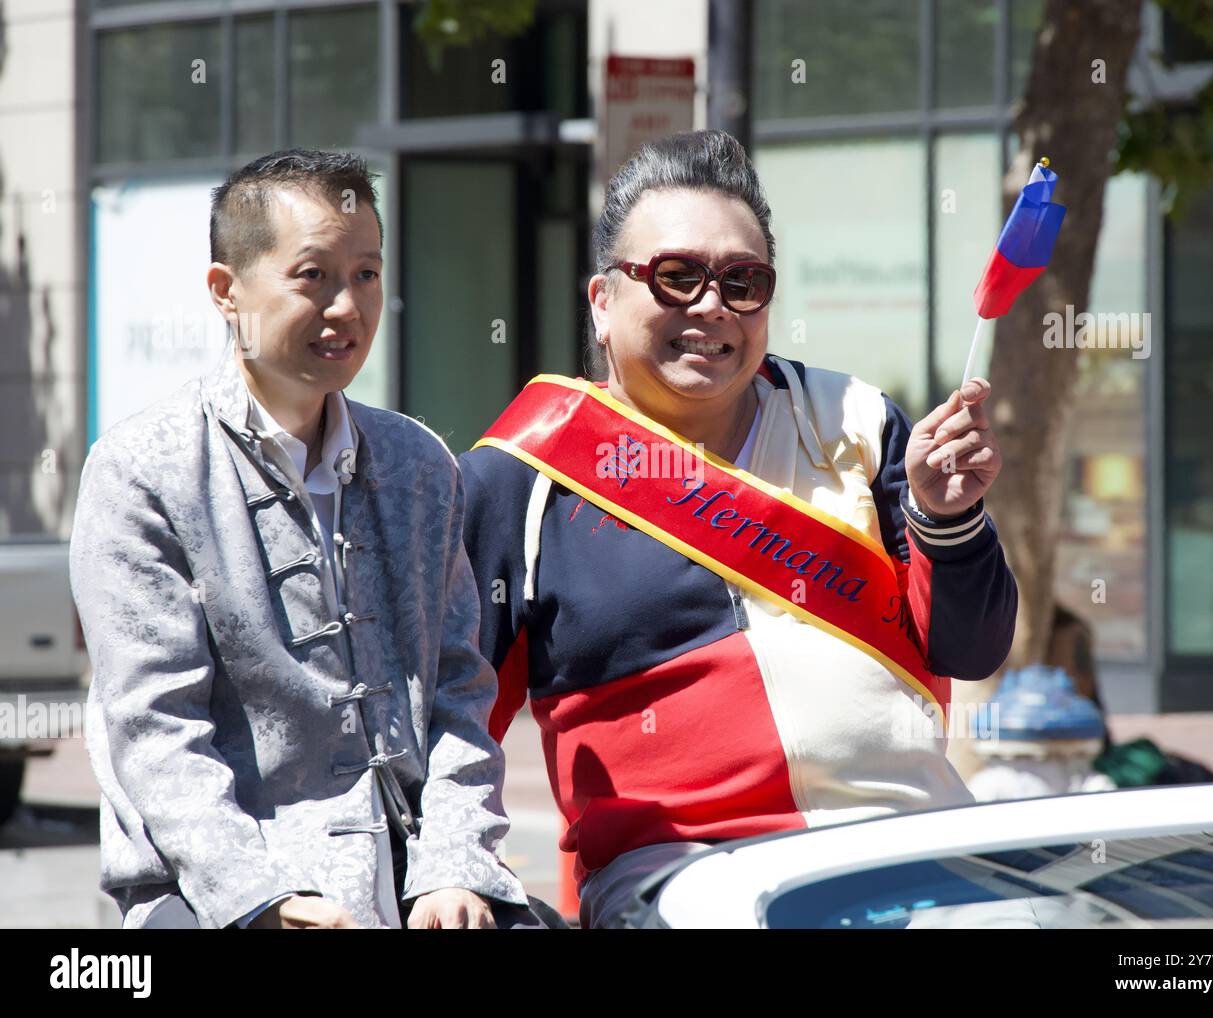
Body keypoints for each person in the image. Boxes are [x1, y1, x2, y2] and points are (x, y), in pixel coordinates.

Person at [459, 130, 1019, 928]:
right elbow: (451, 717)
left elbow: (972, 648)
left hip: (913, 848)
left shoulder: (856, 423)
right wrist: (462, 878)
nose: (711, 307)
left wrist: (948, 518)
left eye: (742, 281)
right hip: (690, 878)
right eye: (676, 277)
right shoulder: (521, 478)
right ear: (602, 301)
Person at [70, 149, 545, 929]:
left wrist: (453, 867)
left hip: (411, 864)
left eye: (366, 275)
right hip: (213, 886)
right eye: (312, 276)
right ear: (227, 292)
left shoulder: (419, 463)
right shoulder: (141, 471)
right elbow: (156, 729)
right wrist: (260, 896)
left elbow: (461, 690)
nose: (348, 308)